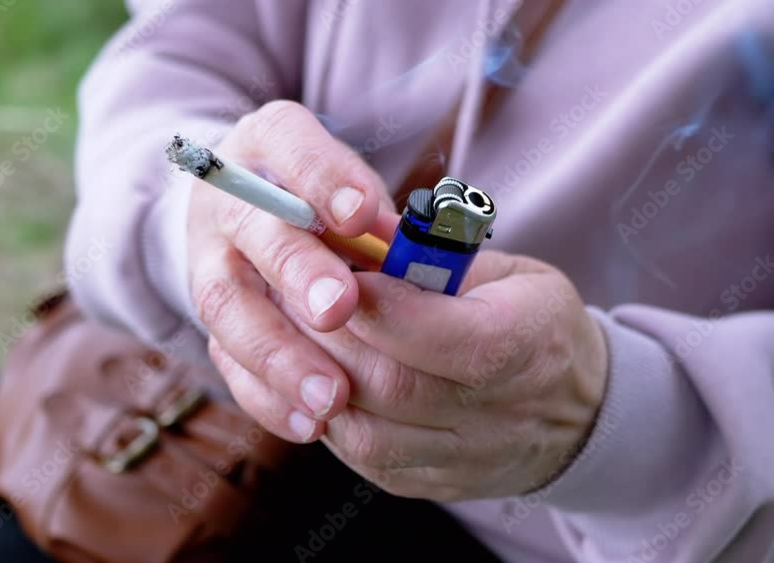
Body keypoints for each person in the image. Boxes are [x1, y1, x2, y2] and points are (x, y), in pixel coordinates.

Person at [65, 0, 774, 561]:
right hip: (210, 384)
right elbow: (174, 55)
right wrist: (189, 227)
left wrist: (622, 414)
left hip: (564, 526)